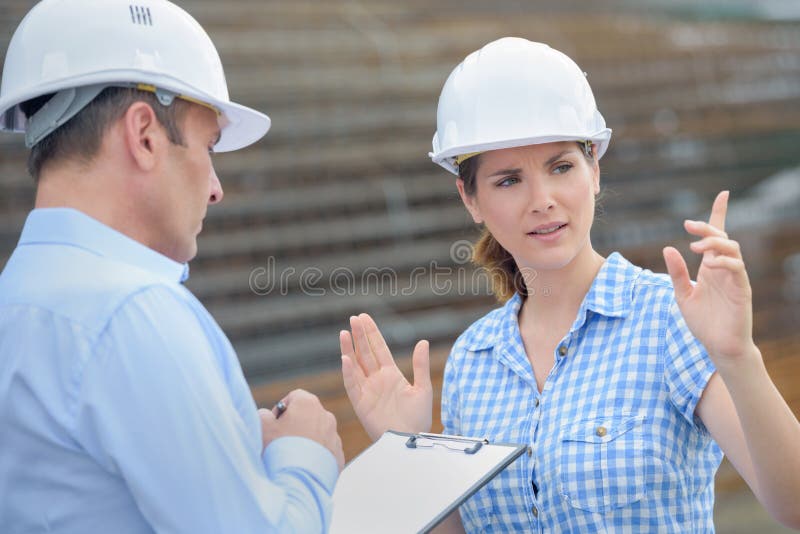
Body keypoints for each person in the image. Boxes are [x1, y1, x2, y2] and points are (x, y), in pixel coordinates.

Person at [340, 37, 800, 532]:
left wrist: (737, 357)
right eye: (508, 180)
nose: (543, 200)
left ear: (594, 170)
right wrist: (408, 451)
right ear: (469, 198)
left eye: (561, 167)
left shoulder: (670, 318)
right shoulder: (472, 361)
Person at [0, 1, 343, 532]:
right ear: (144, 135)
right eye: (209, 146)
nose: (216, 188)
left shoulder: (18, 293)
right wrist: (303, 452)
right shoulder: (134, 315)